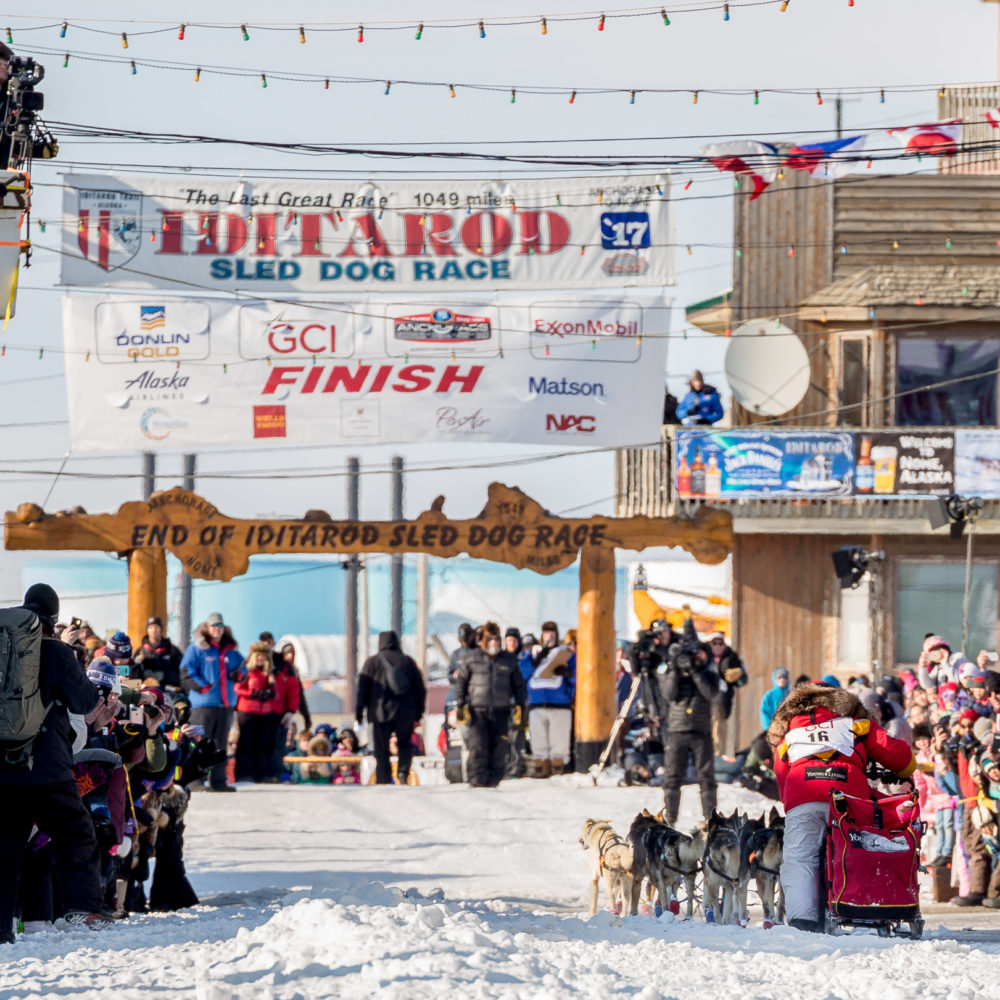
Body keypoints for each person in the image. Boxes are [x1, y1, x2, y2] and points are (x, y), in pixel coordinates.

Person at [0, 584, 115, 941]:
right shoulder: (57, 651)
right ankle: (84, 909)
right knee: (76, 833)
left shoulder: (4, 647)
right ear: (54, 617)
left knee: (5, 850)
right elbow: (84, 702)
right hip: (48, 767)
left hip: (4, 769)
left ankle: (1, 929)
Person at [767, 681, 915, 932]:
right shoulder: (856, 724)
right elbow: (901, 758)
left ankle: (803, 921)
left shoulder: (787, 735)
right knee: (856, 851)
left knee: (799, 858)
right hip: (848, 795)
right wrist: (904, 769)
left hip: (803, 793)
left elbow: (782, 777)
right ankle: (860, 912)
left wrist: (793, 805)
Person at [656, 611, 721, 825]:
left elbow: (710, 693)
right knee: (672, 778)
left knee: (706, 778)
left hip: (701, 731)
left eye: (699, 654)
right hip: (677, 730)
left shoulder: (708, 674)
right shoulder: (673, 672)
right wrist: (676, 669)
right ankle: (670, 819)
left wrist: (695, 672)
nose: (695, 658)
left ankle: (710, 820)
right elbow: (669, 695)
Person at [453, 621, 527, 788]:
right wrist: (460, 704)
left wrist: (520, 706)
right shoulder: (472, 658)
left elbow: (518, 685)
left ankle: (494, 780)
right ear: (483, 641)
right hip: (478, 711)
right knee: (478, 747)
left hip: (501, 711)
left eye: (496, 640)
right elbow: (461, 682)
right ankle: (477, 780)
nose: (494, 643)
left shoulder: (508, 660)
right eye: (490, 640)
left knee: (500, 748)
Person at [179, 613, 244, 792]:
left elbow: (244, 666)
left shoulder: (230, 650)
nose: (217, 629)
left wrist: (239, 674)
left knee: (221, 743)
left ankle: (218, 781)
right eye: (214, 625)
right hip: (202, 705)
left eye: (219, 626)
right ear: (207, 627)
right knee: (199, 742)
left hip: (225, 704)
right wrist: (203, 686)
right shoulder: (197, 648)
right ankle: (195, 781)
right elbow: (186, 671)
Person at [356, 631, 426, 785]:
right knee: (405, 744)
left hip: (380, 713)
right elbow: (420, 689)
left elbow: (363, 689)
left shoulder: (372, 663)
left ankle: (383, 778)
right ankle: (403, 772)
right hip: (405, 712)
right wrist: (418, 713)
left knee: (381, 748)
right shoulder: (408, 662)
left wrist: (359, 712)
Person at [525, 621, 575, 777]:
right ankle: (540, 766)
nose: (549, 637)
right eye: (546, 634)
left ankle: (558, 767)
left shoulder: (565, 654)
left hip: (559, 702)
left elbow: (577, 674)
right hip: (537, 703)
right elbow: (522, 673)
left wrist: (567, 673)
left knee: (559, 740)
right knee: (538, 739)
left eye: (552, 634)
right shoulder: (534, 654)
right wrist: (536, 661)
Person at [234, 642, 277, 783]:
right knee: (246, 742)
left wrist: (269, 693)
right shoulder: (247, 671)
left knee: (261, 743)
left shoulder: (268, 673)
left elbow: (274, 691)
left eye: (264, 656)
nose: (261, 658)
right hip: (247, 710)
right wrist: (253, 694)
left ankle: (260, 774)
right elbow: (238, 688)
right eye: (259, 655)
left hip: (264, 711)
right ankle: (242, 773)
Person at [130, 616, 183, 691]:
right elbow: (133, 671)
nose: (154, 630)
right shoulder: (140, 651)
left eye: (156, 627)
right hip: (144, 689)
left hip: (167, 690)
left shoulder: (172, 651)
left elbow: (182, 671)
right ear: (147, 630)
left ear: (161, 629)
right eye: (151, 627)